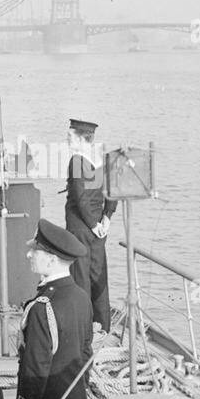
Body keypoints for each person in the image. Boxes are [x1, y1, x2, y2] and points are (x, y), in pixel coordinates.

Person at [16, 219, 94, 399]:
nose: (28, 255)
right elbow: (85, 353)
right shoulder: (81, 296)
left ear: (51, 259)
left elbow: (35, 372)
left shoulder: (42, 308)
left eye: (35, 251)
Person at [62, 118, 116, 331]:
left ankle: (83, 328)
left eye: (70, 135)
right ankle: (103, 326)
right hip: (99, 230)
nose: (67, 138)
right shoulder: (101, 159)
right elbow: (112, 191)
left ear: (81, 138)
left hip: (80, 229)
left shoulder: (76, 161)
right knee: (98, 275)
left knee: (80, 277)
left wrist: (92, 224)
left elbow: (79, 196)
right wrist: (107, 218)